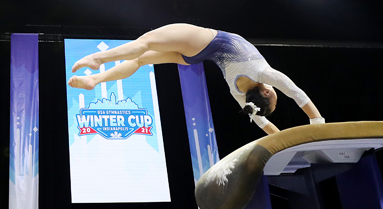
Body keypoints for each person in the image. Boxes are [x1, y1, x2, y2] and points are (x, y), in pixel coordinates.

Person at [69, 23, 324, 135]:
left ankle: (97, 60)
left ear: (267, 92)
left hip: (205, 40)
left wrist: (316, 121)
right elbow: (261, 122)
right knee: (141, 59)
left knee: (144, 42)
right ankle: (97, 80)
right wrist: (282, 141)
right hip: (194, 56)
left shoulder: (262, 74)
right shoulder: (241, 95)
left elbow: (295, 92)